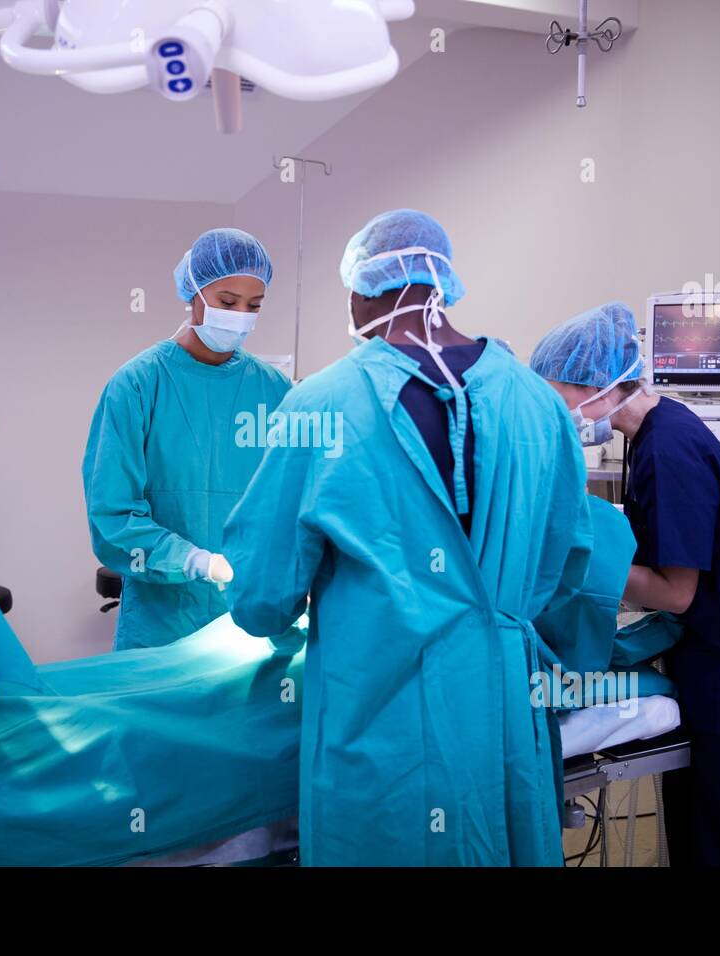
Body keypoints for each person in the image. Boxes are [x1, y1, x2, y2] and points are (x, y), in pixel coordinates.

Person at [223, 210, 593, 866]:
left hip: (383, 726)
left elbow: (262, 598)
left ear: (363, 291)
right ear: (441, 285)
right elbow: (564, 571)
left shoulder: (321, 407)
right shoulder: (539, 403)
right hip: (506, 721)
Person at [530, 301, 720, 867]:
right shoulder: (655, 434)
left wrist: (580, 564)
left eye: (558, 396)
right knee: (705, 843)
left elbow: (676, 593)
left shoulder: (668, 450)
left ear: (595, 384)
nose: (556, 411)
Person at [82, 228, 291, 650]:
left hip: (251, 619)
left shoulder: (275, 390)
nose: (241, 316)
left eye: (254, 306)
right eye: (227, 302)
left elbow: (291, 500)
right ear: (193, 293)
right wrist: (196, 562)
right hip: (163, 624)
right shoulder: (138, 385)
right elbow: (113, 516)